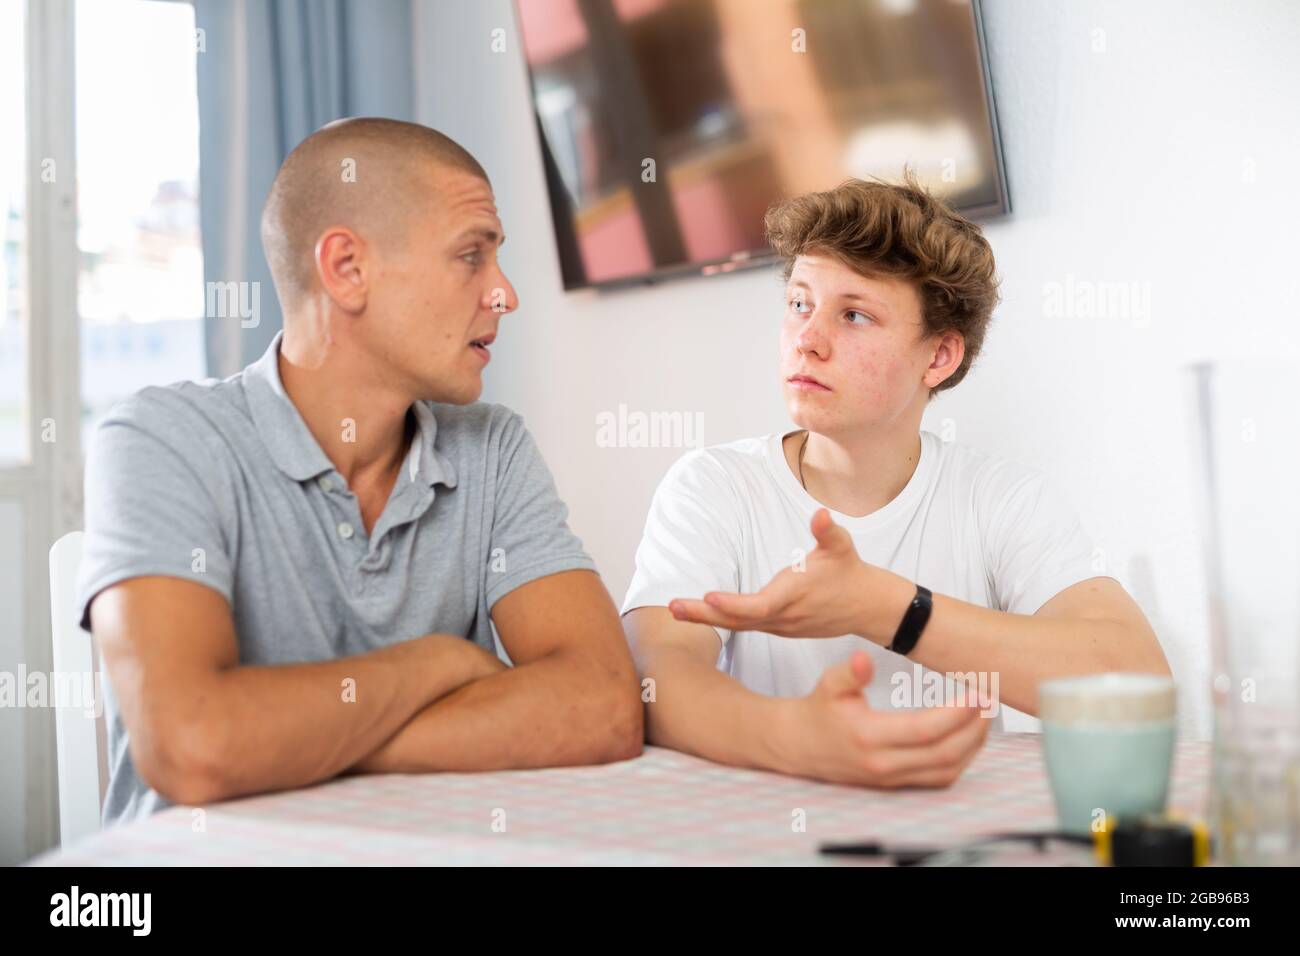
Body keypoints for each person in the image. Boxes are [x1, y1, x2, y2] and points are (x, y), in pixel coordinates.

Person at [79, 118, 642, 822]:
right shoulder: (159, 439)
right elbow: (194, 746)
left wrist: (286, 744)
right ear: (346, 269)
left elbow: (603, 704)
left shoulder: (492, 448)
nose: (505, 294)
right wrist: (437, 663)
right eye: (472, 255)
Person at [621, 172, 1170, 788]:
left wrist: (883, 606)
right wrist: (798, 740)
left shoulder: (1002, 499)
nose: (807, 339)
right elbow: (652, 678)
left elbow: (1136, 680)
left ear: (938, 357)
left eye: (854, 315)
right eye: (800, 303)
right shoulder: (714, 487)